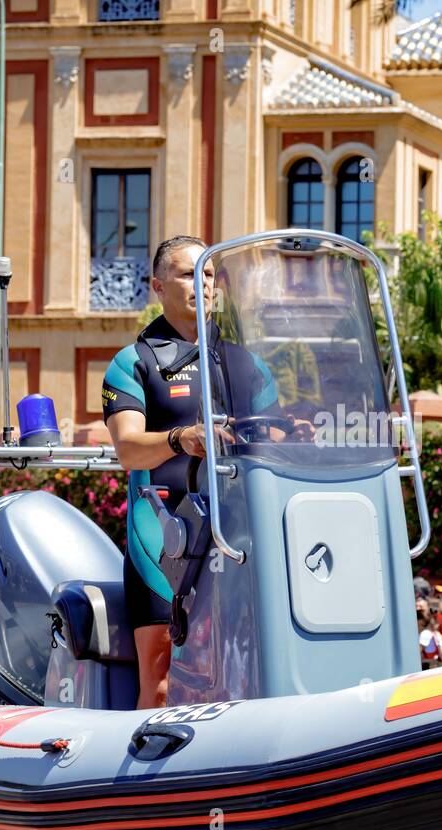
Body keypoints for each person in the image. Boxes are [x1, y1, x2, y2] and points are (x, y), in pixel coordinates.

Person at [102, 235, 313, 709]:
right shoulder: (134, 363)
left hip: (239, 538)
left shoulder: (246, 363)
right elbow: (129, 450)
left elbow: (272, 439)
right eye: (185, 274)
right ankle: (146, 779)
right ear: (158, 285)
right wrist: (181, 439)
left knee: (247, 670)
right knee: (161, 680)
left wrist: (293, 435)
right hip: (163, 536)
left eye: (210, 273)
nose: (202, 283)